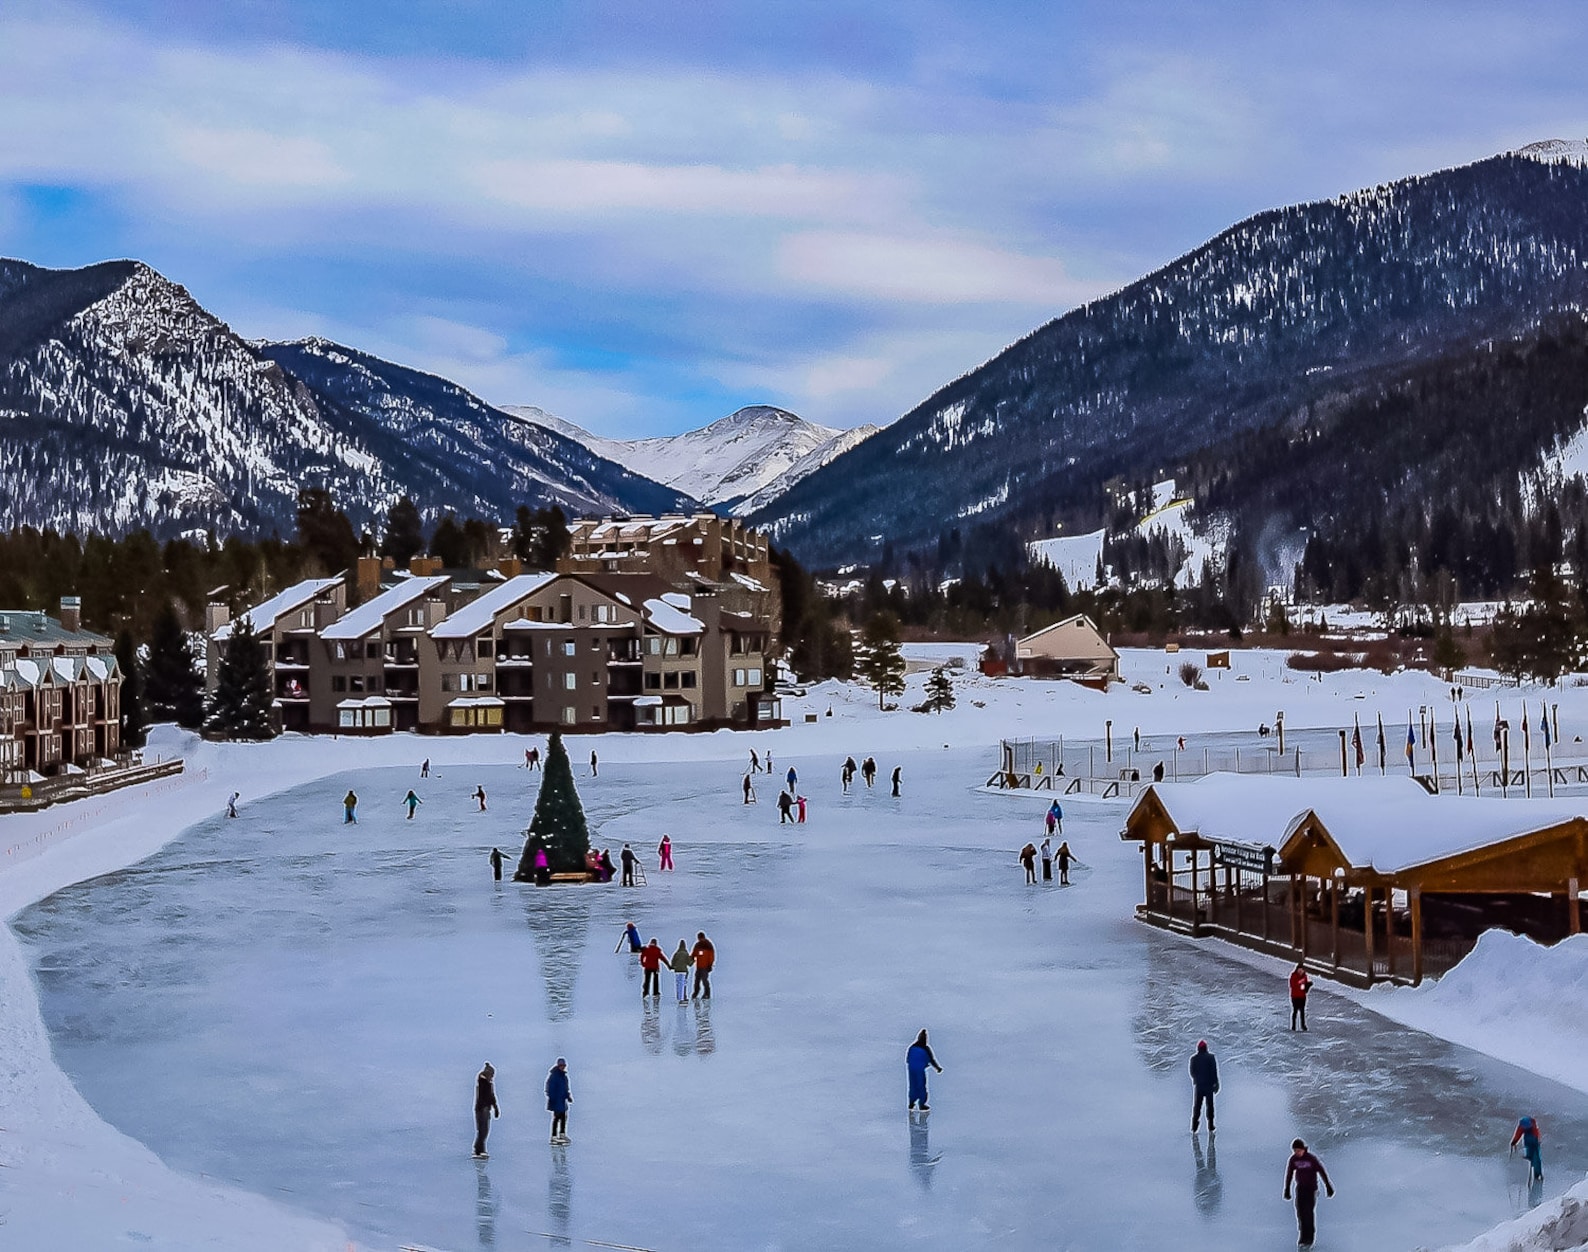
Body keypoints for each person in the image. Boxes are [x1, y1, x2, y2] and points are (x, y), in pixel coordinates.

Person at [1283, 1138, 1334, 1248]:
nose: (1297, 1153)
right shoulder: (1293, 1160)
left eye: (1298, 1150)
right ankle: (1302, 1238)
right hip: (1300, 1188)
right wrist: (1287, 1189)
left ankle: (1310, 1239)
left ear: (1303, 1149)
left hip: (1311, 1189)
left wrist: (1328, 1186)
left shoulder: (1311, 1159)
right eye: (1295, 1151)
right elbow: (1289, 1174)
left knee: (1308, 1213)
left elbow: (1321, 1171)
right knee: (1300, 1213)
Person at [907, 1029, 943, 1111]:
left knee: (913, 1085)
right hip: (919, 1070)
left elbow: (907, 1059)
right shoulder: (925, 1048)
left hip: (911, 1069)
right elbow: (931, 1060)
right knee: (921, 1086)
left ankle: (911, 1103)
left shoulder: (912, 1047)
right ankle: (922, 1104)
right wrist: (937, 1068)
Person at [1190, 1040, 1219, 1132]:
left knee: (1197, 1106)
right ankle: (1210, 1125)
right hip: (1209, 1086)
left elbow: (1192, 1071)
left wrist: (1196, 1079)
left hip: (1199, 1086)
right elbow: (1214, 1071)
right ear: (1206, 1048)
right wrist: (1216, 1083)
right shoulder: (1211, 1057)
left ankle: (1194, 1127)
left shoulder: (1194, 1058)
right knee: (1210, 1106)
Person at [473, 1062, 499, 1158]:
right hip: (481, 1109)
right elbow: (487, 1096)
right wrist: (491, 1106)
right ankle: (478, 1150)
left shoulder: (488, 1083)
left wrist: (495, 1107)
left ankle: (481, 1149)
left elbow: (492, 1096)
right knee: (482, 1130)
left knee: (485, 1130)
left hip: (486, 1109)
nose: (492, 1077)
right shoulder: (483, 1082)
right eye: (492, 1075)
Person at [545, 1059, 572, 1145]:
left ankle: (562, 1134)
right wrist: (552, 1098)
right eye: (561, 1066)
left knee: (564, 1117)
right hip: (556, 1101)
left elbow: (565, 1088)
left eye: (564, 1066)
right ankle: (553, 1136)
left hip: (562, 1101)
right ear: (558, 1066)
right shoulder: (553, 1076)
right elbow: (549, 1088)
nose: (563, 1067)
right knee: (556, 1118)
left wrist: (568, 1096)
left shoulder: (564, 1076)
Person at [1512, 1116, 1544, 1182]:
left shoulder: (1529, 1127)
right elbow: (1519, 1133)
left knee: (1535, 1156)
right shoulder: (1528, 1126)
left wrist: (1514, 1142)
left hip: (1531, 1140)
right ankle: (1537, 1173)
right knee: (1534, 1155)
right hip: (1531, 1140)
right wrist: (1514, 1141)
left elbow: (1519, 1134)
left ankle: (1537, 1173)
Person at [691, 931, 715, 999]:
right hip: (701, 967)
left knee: (702, 980)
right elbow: (694, 954)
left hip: (703, 967)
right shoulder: (699, 945)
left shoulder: (706, 945)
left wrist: (710, 965)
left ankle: (704, 993)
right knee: (699, 980)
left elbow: (711, 956)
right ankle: (699, 993)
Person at [1290, 963, 1313, 1031]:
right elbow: (1293, 986)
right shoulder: (1293, 976)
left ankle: (1303, 1025)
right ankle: (1293, 1026)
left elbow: (1305, 989)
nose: (1300, 971)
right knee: (1295, 1011)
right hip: (1295, 996)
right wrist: (1302, 986)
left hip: (1302, 997)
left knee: (1302, 1011)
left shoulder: (1304, 976)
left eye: (1302, 970)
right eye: (1299, 970)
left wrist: (1307, 986)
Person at [669, 939, 692, 1003]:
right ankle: (683, 997)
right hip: (684, 971)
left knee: (678, 984)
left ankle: (679, 997)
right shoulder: (686, 953)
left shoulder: (676, 953)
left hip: (677, 971)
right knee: (683, 984)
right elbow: (689, 964)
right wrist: (693, 960)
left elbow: (672, 963)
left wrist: (673, 967)